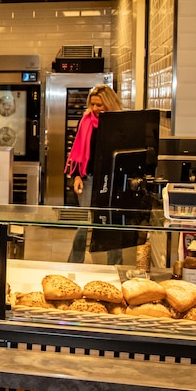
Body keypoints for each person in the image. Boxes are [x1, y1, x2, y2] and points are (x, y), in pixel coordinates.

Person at [64, 84, 124, 264]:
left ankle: (115, 266)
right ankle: (74, 264)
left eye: (99, 105)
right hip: (88, 178)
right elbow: (76, 152)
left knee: (112, 225)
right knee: (84, 224)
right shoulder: (85, 122)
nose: (95, 108)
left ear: (109, 103)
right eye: (93, 104)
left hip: (112, 181)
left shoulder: (119, 124)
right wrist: (76, 176)